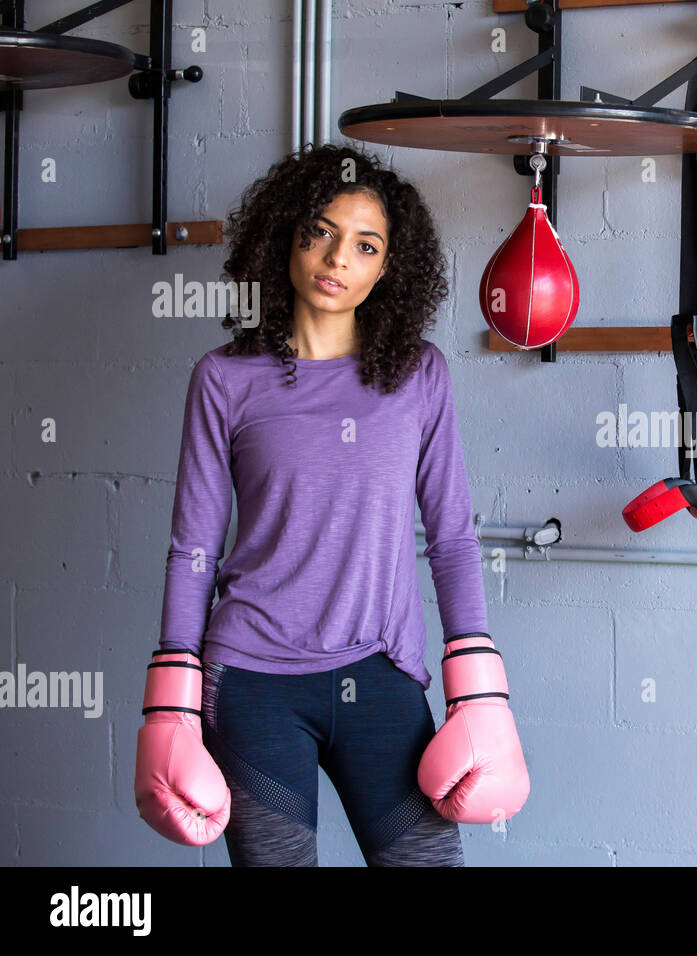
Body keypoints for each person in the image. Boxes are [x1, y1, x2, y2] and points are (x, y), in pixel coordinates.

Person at [135, 142, 528, 866]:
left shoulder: (419, 377)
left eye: (365, 245)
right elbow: (192, 549)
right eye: (320, 231)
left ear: (387, 270)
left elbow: (451, 540)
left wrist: (480, 694)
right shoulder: (224, 380)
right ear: (285, 234)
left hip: (379, 675)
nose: (337, 257)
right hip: (252, 684)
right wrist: (171, 704)